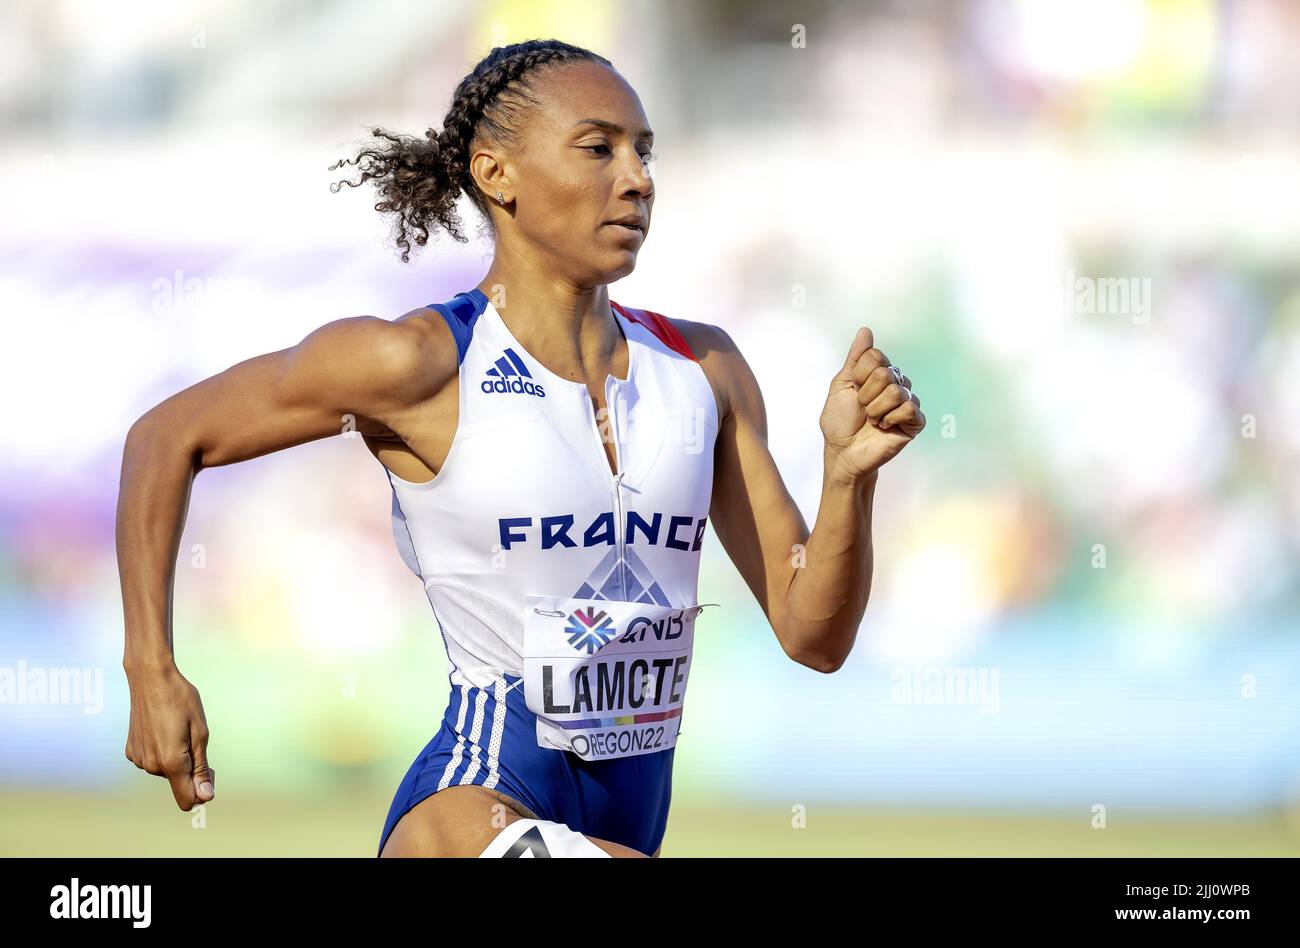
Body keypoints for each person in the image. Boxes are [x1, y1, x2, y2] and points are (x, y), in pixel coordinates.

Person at [117, 38, 925, 859]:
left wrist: (847, 479)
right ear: (496, 173)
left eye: (644, 152)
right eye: (598, 148)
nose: (638, 179)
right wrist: (151, 668)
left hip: (628, 824)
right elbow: (166, 435)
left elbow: (813, 637)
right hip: (472, 808)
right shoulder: (421, 362)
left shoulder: (704, 369)